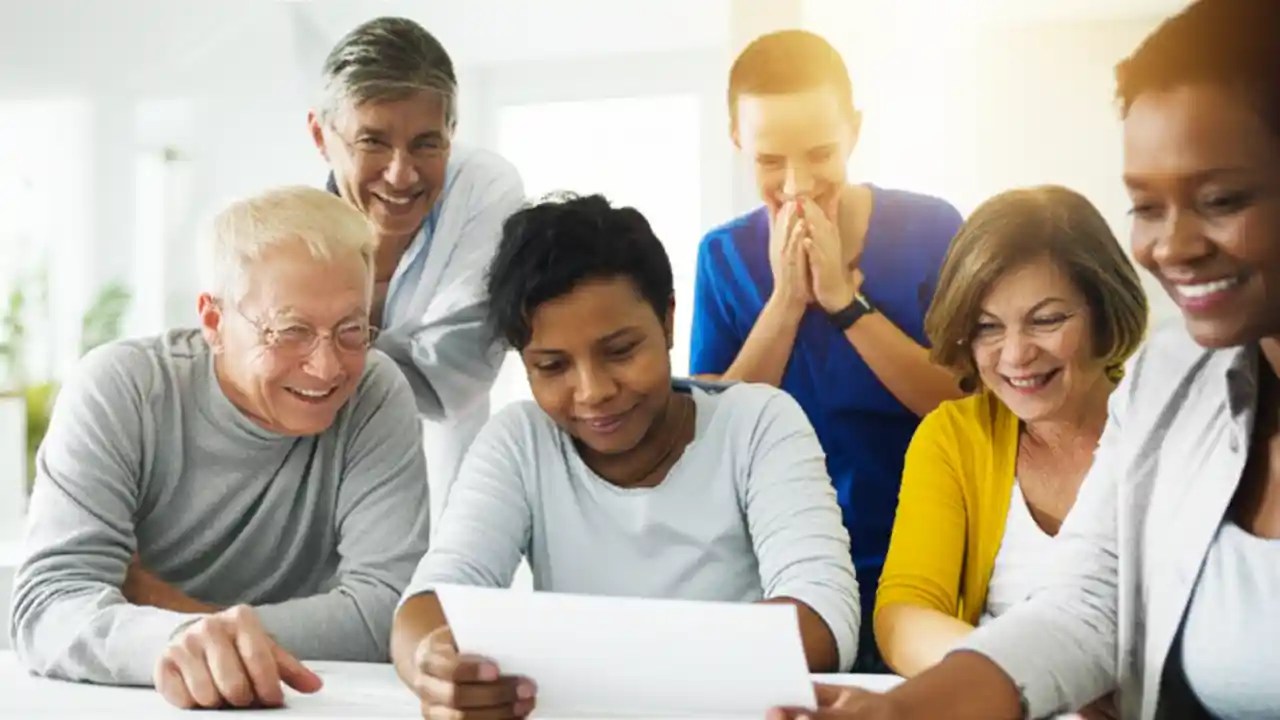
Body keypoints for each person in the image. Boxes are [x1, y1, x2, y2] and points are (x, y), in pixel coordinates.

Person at [768, 0, 1280, 717]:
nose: (1172, 246)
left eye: (1221, 199)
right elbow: (1087, 606)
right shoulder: (1173, 380)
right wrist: (896, 712)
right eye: (1145, 207)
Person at [391, 194, 861, 718]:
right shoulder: (521, 441)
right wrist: (432, 667)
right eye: (552, 366)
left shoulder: (757, 423)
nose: (593, 391)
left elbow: (823, 616)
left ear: (668, 320)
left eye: (620, 352)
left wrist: (623, 667)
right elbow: (429, 602)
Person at [7, 187, 431, 710]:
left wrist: (173, 613)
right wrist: (176, 643)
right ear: (213, 321)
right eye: (291, 331)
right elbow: (47, 607)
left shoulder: (374, 392)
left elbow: (389, 612)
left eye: (351, 330)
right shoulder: (122, 389)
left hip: (301, 703)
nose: (327, 368)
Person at [690, 30, 964, 668]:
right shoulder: (722, 256)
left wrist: (844, 300)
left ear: (854, 132)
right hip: (782, 570)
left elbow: (963, 402)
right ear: (736, 142)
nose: (797, 185)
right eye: (769, 160)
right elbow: (711, 439)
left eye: (820, 154)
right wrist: (786, 303)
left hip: (926, 555)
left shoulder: (933, 229)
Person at [874, 187, 1148, 687]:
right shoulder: (953, 437)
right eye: (987, 327)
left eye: (1046, 320)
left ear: (1104, 312)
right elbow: (903, 617)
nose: (1016, 354)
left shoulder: (1165, 430)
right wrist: (1022, 677)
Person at [308, 16, 525, 506]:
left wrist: (327, 356)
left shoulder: (483, 187)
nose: (401, 175)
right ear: (321, 136)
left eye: (426, 144)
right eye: (372, 142)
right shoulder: (285, 224)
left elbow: (452, 378)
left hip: (443, 497)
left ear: (452, 133)